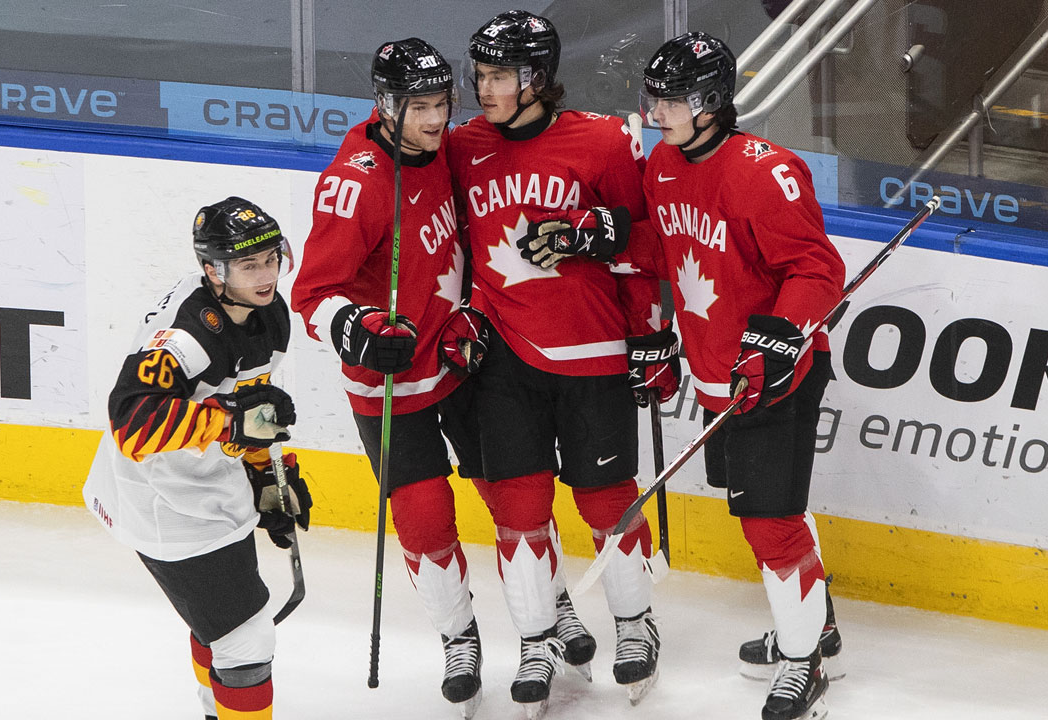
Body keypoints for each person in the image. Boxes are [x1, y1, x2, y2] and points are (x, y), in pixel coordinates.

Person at [548, 31, 847, 720]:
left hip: (779, 373)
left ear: (711, 99)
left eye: (671, 98)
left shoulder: (765, 170)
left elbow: (817, 269)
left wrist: (777, 337)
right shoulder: (664, 163)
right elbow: (672, 245)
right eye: (653, 96)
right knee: (779, 509)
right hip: (718, 373)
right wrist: (610, 235)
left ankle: (807, 666)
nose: (656, 109)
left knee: (770, 525)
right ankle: (816, 624)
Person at [448, 10, 669, 714]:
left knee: (606, 502)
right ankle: (536, 639)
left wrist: (648, 330)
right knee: (517, 507)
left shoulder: (604, 141)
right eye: (479, 75)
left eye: (500, 76)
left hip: (592, 351)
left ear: (539, 78)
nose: (485, 89)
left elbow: (649, 244)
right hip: (504, 356)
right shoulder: (462, 146)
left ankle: (636, 626)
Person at [289, 37, 493, 717]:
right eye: (421, 107)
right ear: (386, 104)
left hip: (460, 356)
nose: (436, 119)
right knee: (425, 517)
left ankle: (545, 613)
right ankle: (458, 634)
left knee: (513, 486)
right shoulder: (358, 184)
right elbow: (314, 293)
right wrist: (358, 329)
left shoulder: (447, 151)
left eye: (443, 104)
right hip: (389, 379)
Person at [83, 197, 311, 720]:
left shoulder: (268, 312)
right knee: (247, 640)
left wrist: (266, 473)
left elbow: (250, 397)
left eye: (272, 258)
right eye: (249, 265)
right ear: (213, 269)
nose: (266, 274)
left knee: (221, 626)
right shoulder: (186, 335)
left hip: (210, 482)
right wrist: (232, 422)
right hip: (164, 500)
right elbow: (132, 423)